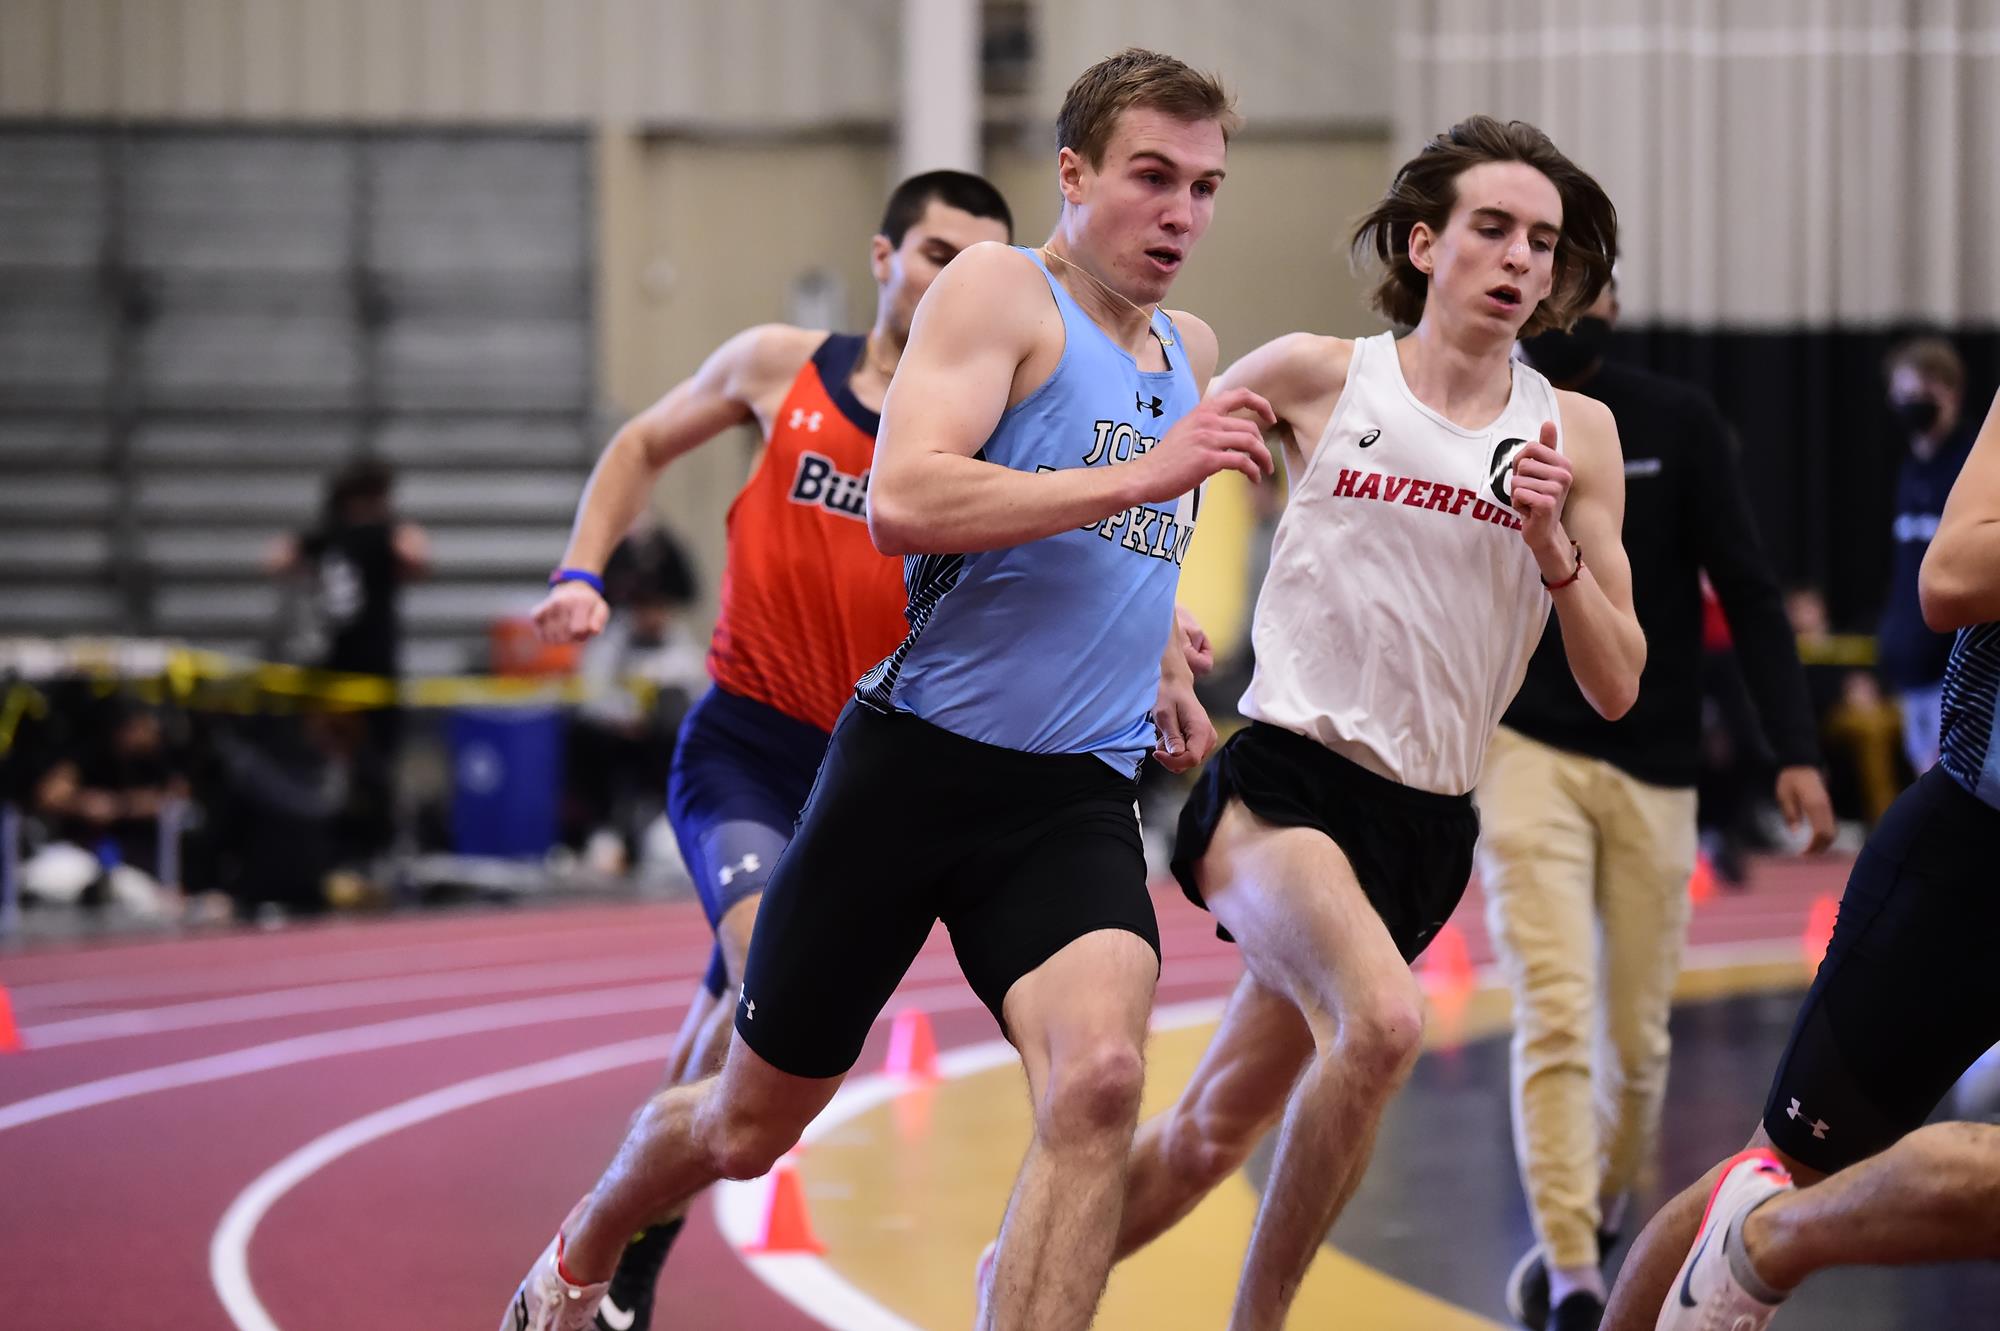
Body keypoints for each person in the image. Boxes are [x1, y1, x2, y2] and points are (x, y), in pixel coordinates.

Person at [503, 47, 1266, 1331]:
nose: (1180, 212)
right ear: (1073, 174)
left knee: (1098, 1080)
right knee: (747, 1125)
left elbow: (1124, 537)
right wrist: (1145, 476)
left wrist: (1152, 655)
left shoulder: (1187, 348)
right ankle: (584, 1248)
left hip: (1068, 792)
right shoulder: (1000, 292)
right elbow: (905, 500)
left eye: (1204, 187)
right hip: (908, 767)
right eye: (1151, 176)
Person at [1083, 114, 1636, 1331]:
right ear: (1424, 244)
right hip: (1283, 786)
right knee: (1382, 1023)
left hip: (1424, 826)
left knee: (1207, 1132)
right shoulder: (1318, 374)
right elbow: (1145, 488)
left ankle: (1012, 1283)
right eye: (1491, 228)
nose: (1518, 257)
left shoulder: (1573, 436)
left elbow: (1616, 682)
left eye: (1540, 240)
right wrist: (1160, 640)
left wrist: (1552, 548)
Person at [524, 169, 1014, 1330]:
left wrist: (1157, 646)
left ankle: (634, 1235)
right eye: (937, 254)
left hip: (875, 777)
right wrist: (582, 568)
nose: (956, 282)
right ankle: (610, 1251)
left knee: (726, 1032)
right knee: (764, 990)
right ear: (883, 257)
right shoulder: (775, 366)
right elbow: (641, 442)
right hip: (746, 748)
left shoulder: (990, 423)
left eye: (982, 267)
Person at [1600, 388, 2000, 1330]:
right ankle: (1769, 1236)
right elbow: (1947, 577)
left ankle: (1774, 1236)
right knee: (1774, 1163)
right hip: (1972, 858)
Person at [1484, 278, 1836, 1331]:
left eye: (1584, 285)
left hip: (1656, 759)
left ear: (1614, 297)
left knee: (1635, 1050)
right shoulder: (1481, 413)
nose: (1563, 303)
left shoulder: (1677, 421)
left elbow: (1750, 588)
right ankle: (1569, 1273)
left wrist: (1793, 748)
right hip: (1526, 747)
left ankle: (1593, 1217)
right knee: (1553, 1008)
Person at [1877, 336, 1975, 775]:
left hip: (1955, 666)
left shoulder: (1972, 465)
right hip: (1911, 665)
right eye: (1904, 393)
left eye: (1923, 392)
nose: (1912, 403)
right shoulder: (1909, 470)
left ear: (1950, 391)